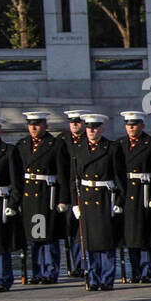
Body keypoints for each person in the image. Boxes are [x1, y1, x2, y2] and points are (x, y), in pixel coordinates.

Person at [70, 113, 125, 291]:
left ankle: (106, 278)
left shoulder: (111, 148)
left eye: (95, 127)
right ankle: (93, 277)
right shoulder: (79, 148)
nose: (91, 131)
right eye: (88, 127)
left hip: (104, 197)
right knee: (90, 241)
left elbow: (119, 177)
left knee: (106, 240)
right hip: (86, 197)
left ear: (102, 128)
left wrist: (119, 200)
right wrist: (74, 203)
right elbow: (74, 178)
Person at [16, 111, 71, 285]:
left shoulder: (55, 145)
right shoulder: (23, 144)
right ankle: (38, 272)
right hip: (29, 195)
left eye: (37, 124)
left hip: (47, 195)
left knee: (48, 237)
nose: (33, 127)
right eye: (31, 124)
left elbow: (63, 173)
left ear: (45, 126)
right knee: (34, 238)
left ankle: (50, 271)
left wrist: (64, 199)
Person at [119, 111, 151, 283]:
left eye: (135, 124)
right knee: (131, 235)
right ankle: (135, 271)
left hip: (145, 192)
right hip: (129, 192)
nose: (131, 128)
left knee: (146, 234)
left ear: (142, 126)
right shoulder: (121, 144)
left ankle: (148, 271)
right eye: (129, 125)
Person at [0, 116, 24, 292]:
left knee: (0, 243)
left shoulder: (8, 151)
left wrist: (13, 203)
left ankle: (3, 279)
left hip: (0, 200)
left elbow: (17, 181)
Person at [63, 111, 88, 276]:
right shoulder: (61, 141)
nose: (74, 125)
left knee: (82, 230)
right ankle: (73, 263)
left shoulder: (90, 141)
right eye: (72, 122)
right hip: (66, 188)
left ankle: (82, 263)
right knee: (69, 230)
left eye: (78, 122)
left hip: (84, 189)